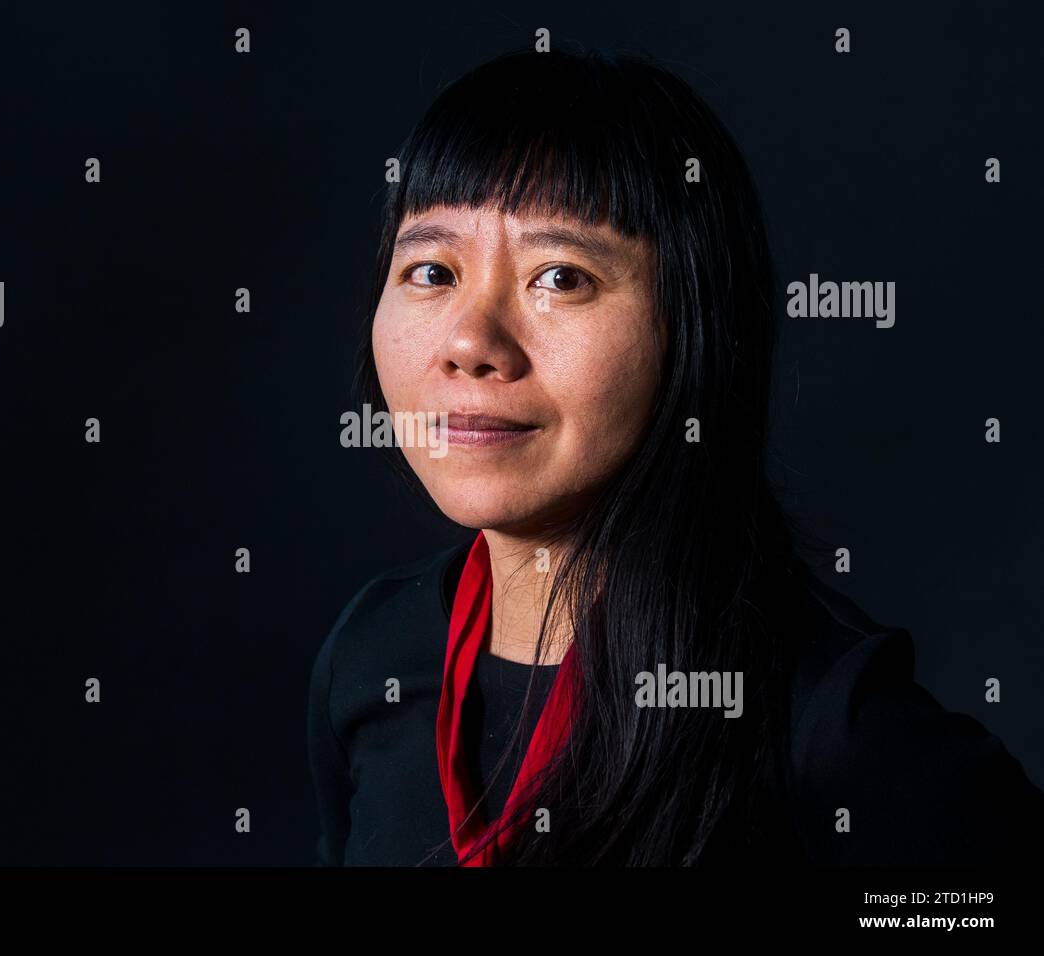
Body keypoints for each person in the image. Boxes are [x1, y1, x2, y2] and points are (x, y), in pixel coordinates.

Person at [307, 45, 1044, 866]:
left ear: (692, 332)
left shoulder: (819, 717)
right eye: (432, 269)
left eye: (561, 277)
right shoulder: (375, 653)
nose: (473, 342)